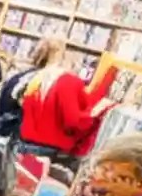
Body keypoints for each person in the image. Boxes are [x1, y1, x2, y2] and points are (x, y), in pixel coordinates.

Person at [19, 38, 117, 169]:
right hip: (51, 151)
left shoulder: (38, 77)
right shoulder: (67, 81)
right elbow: (74, 121)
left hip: (26, 143)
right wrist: (97, 111)